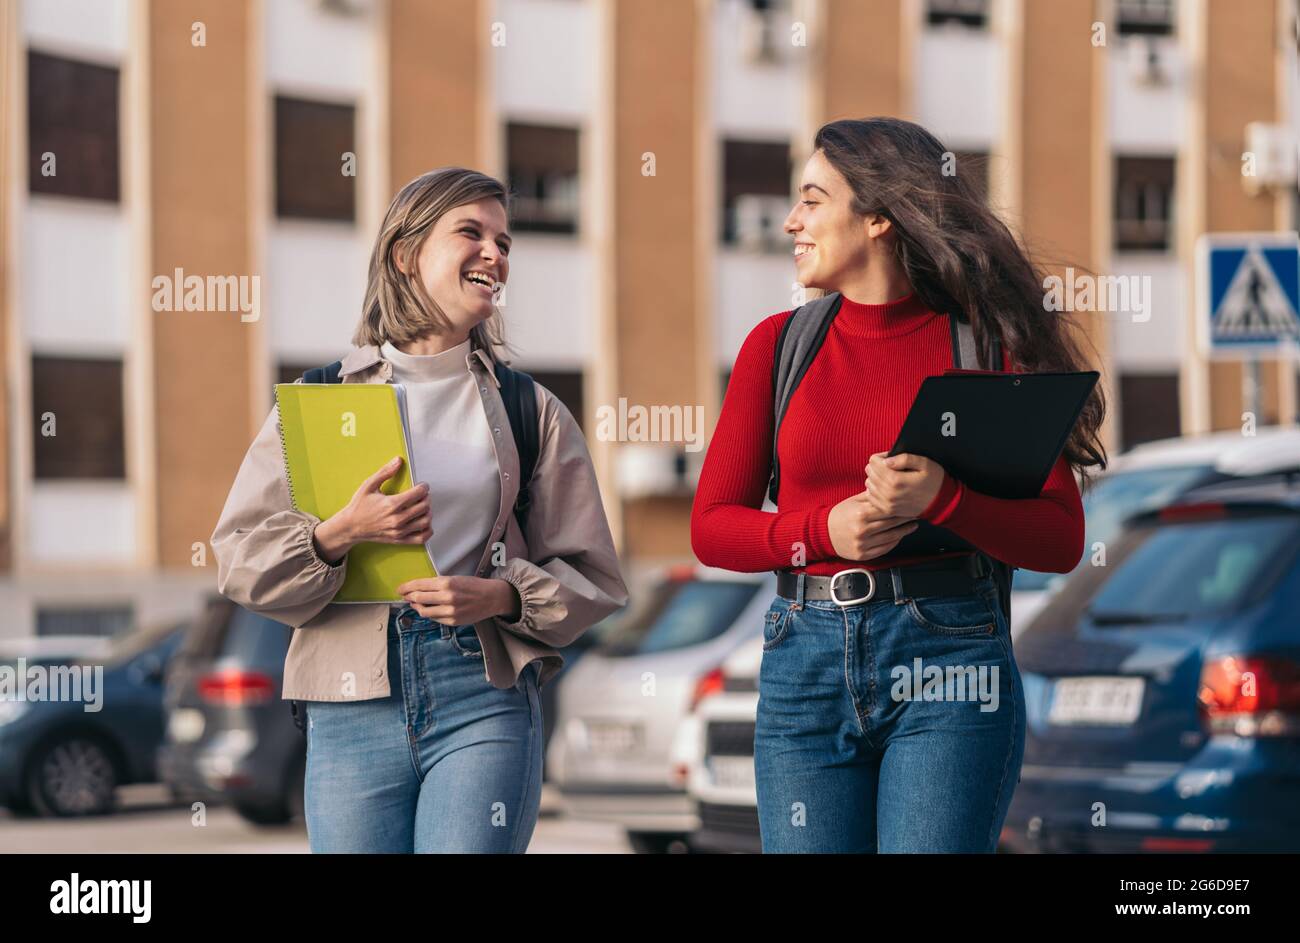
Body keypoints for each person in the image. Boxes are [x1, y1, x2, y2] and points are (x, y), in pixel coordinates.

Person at [691, 117, 1108, 853]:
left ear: (879, 216)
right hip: (803, 663)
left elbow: (1063, 537)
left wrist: (945, 500)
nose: (792, 221)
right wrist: (820, 533)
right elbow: (713, 526)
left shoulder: (989, 345)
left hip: (950, 659)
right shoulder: (776, 347)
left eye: (813, 201)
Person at [211, 167, 628, 853]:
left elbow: (596, 575)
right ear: (406, 255)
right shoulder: (319, 402)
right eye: (471, 232)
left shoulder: (531, 410)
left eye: (504, 241)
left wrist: (499, 595)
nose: (495, 254)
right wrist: (337, 534)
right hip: (350, 699)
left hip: (480, 691)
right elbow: (237, 557)